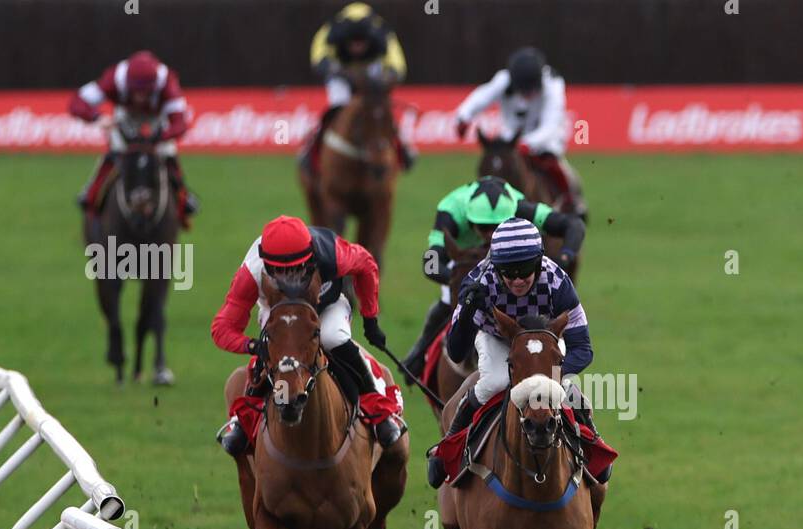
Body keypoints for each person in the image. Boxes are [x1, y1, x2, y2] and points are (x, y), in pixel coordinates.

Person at [213, 215, 404, 454]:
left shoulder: (331, 253)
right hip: (278, 311)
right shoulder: (252, 272)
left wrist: (370, 319)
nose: (289, 280)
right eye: (280, 273)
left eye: (296, 270)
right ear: (266, 264)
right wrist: (253, 346)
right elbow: (222, 328)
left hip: (326, 306)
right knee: (277, 347)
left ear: (311, 257)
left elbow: (366, 265)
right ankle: (245, 417)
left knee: (332, 338)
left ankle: (379, 411)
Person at [426, 218, 593, 488]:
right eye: (508, 271)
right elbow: (456, 352)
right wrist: (467, 309)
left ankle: (593, 443)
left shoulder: (557, 281)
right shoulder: (479, 280)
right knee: (495, 382)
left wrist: (547, 376)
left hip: (543, 341)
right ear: (495, 267)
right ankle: (448, 445)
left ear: (539, 261)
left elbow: (583, 348)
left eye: (525, 270)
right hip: (497, 338)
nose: (517, 280)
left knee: (564, 389)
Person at [400, 175, 585, 380]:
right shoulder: (450, 210)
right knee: (448, 300)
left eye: (498, 225)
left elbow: (573, 225)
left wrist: (564, 258)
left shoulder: (519, 205)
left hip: (512, 262)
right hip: (466, 264)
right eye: (483, 227)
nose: (491, 234)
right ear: (468, 219)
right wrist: (459, 283)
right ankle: (419, 354)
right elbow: (430, 263)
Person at [69, 49, 198, 229]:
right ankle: (92, 193)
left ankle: (183, 201)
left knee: (168, 154)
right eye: (136, 91)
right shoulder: (114, 78)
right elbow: (77, 102)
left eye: (145, 92)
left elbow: (180, 124)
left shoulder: (167, 82)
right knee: (115, 152)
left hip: (157, 119)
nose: (140, 97)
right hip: (125, 117)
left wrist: (160, 137)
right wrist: (97, 118)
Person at [453, 47, 585, 216]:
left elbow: (551, 124)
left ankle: (571, 202)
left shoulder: (553, 84)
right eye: (523, 90)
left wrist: (528, 143)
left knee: (558, 168)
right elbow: (481, 97)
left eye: (531, 90)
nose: (527, 95)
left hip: (545, 140)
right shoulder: (504, 79)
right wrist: (463, 117)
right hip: (511, 138)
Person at [303, 2, 414, 174]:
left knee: (379, 110)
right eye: (352, 44)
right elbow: (318, 59)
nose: (357, 48)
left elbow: (397, 67)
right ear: (343, 40)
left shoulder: (382, 32)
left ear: (370, 40)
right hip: (342, 72)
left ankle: (403, 148)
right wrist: (342, 73)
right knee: (336, 109)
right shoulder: (332, 30)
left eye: (361, 43)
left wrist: (383, 82)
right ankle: (311, 151)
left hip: (371, 73)